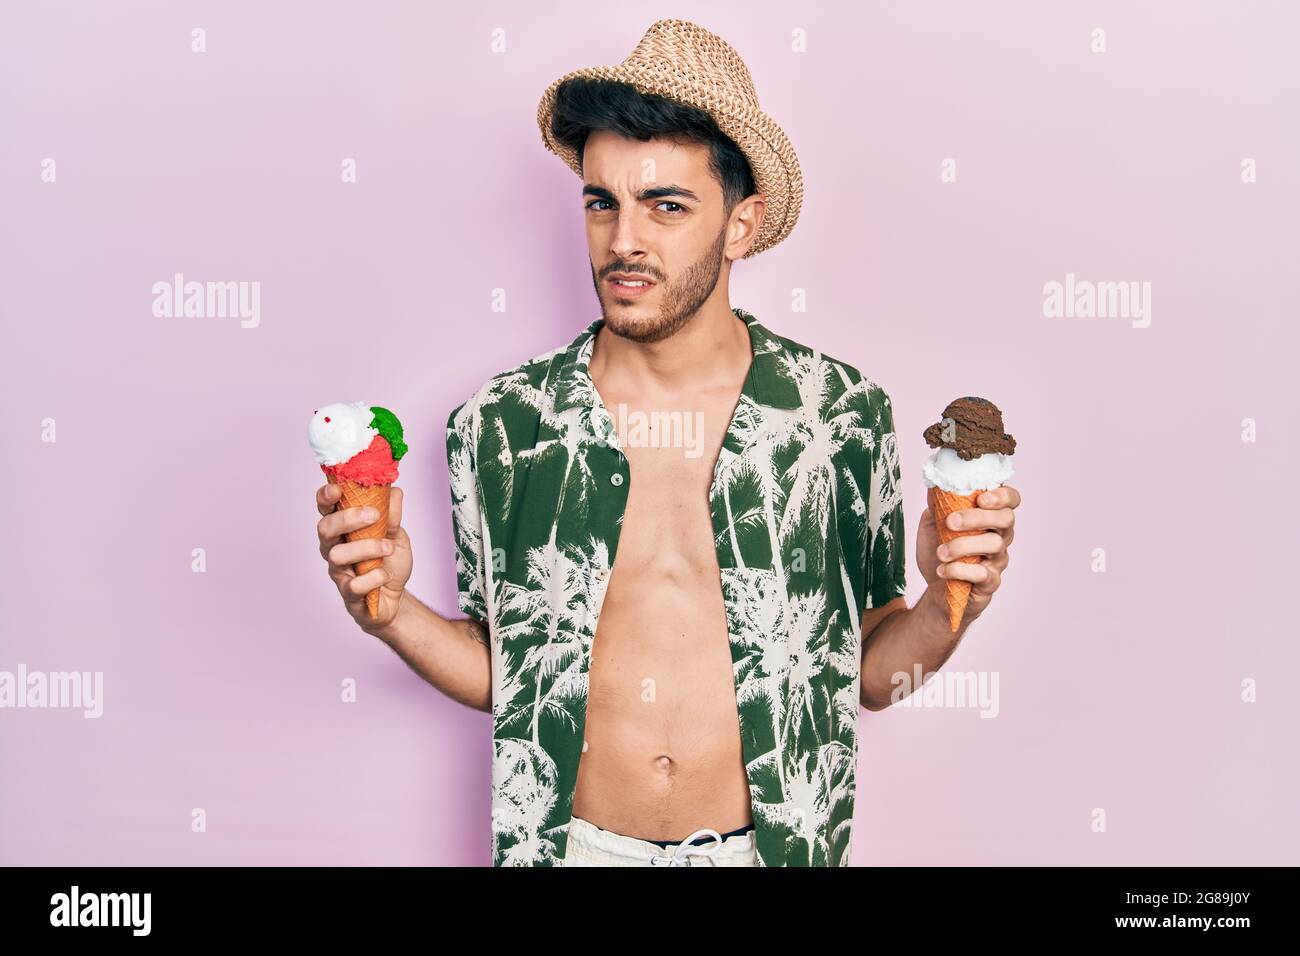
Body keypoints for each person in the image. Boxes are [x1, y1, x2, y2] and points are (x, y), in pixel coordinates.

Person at [313, 19, 1021, 867]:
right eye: (602, 201)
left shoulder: (839, 415)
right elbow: (516, 679)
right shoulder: (502, 425)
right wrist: (392, 615)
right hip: (571, 850)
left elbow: (870, 673)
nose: (624, 243)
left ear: (742, 224)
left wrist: (956, 602)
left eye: (667, 206)